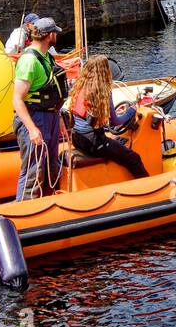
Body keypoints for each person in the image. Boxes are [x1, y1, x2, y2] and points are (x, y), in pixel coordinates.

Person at [12, 17, 69, 200]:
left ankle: (46, 203)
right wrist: (32, 129)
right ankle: (25, 209)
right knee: (33, 170)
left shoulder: (46, 56)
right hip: (35, 118)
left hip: (50, 117)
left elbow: (52, 91)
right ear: (49, 35)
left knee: (50, 164)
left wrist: (58, 117)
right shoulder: (29, 61)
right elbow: (17, 99)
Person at [68, 56, 147, 180]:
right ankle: (146, 186)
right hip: (94, 143)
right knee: (133, 158)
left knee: (116, 141)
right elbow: (115, 122)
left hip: (77, 138)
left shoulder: (79, 86)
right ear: (105, 71)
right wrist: (132, 110)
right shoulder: (102, 91)